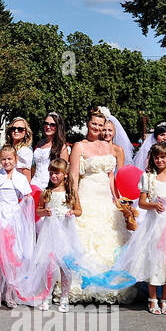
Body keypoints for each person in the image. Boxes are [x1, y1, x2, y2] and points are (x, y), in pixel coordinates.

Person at [109, 142, 166, 315]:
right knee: (155, 259)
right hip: (154, 225)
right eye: (157, 157)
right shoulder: (148, 177)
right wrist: (154, 205)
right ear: (152, 159)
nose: (160, 160)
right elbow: (142, 202)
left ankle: (165, 299)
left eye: (163, 157)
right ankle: (153, 298)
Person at [66, 107, 134, 304]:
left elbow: (114, 177)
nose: (97, 128)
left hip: (106, 197)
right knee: (85, 238)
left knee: (109, 238)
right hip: (87, 193)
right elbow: (73, 175)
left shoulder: (109, 148)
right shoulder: (80, 145)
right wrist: (75, 199)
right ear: (88, 124)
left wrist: (118, 199)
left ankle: (107, 286)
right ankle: (80, 286)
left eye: (100, 125)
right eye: (94, 124)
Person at [0, 144, 38, 307]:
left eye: (10, 159)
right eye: (3, 159)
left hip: (13, 219)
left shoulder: (21, 179)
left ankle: (9, 292)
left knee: (13, 257)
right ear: (0, 160)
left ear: (16, 160)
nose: (7, 162)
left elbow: (27, 198)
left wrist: (25, 203)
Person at [29, 158, 82, 312]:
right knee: (48, 265)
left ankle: (64, 297)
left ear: (65, 174)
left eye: (57, 173)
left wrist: (72, 212)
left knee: (65, 266)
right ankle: (47, 296)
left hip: (65, 233)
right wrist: (44, 212)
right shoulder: (46, 192)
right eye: (51, 173)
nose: (54, 176)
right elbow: (38, 210)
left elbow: (79, 210)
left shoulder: (70, 193)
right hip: (50, 233)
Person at [31, 111, 68, 190]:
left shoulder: (62, 147)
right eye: (46, 123)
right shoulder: (39, 143)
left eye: (52, 125)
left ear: (58, 126)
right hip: (34, 184)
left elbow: (62, 171)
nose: (48, 126)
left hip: (49, 186)